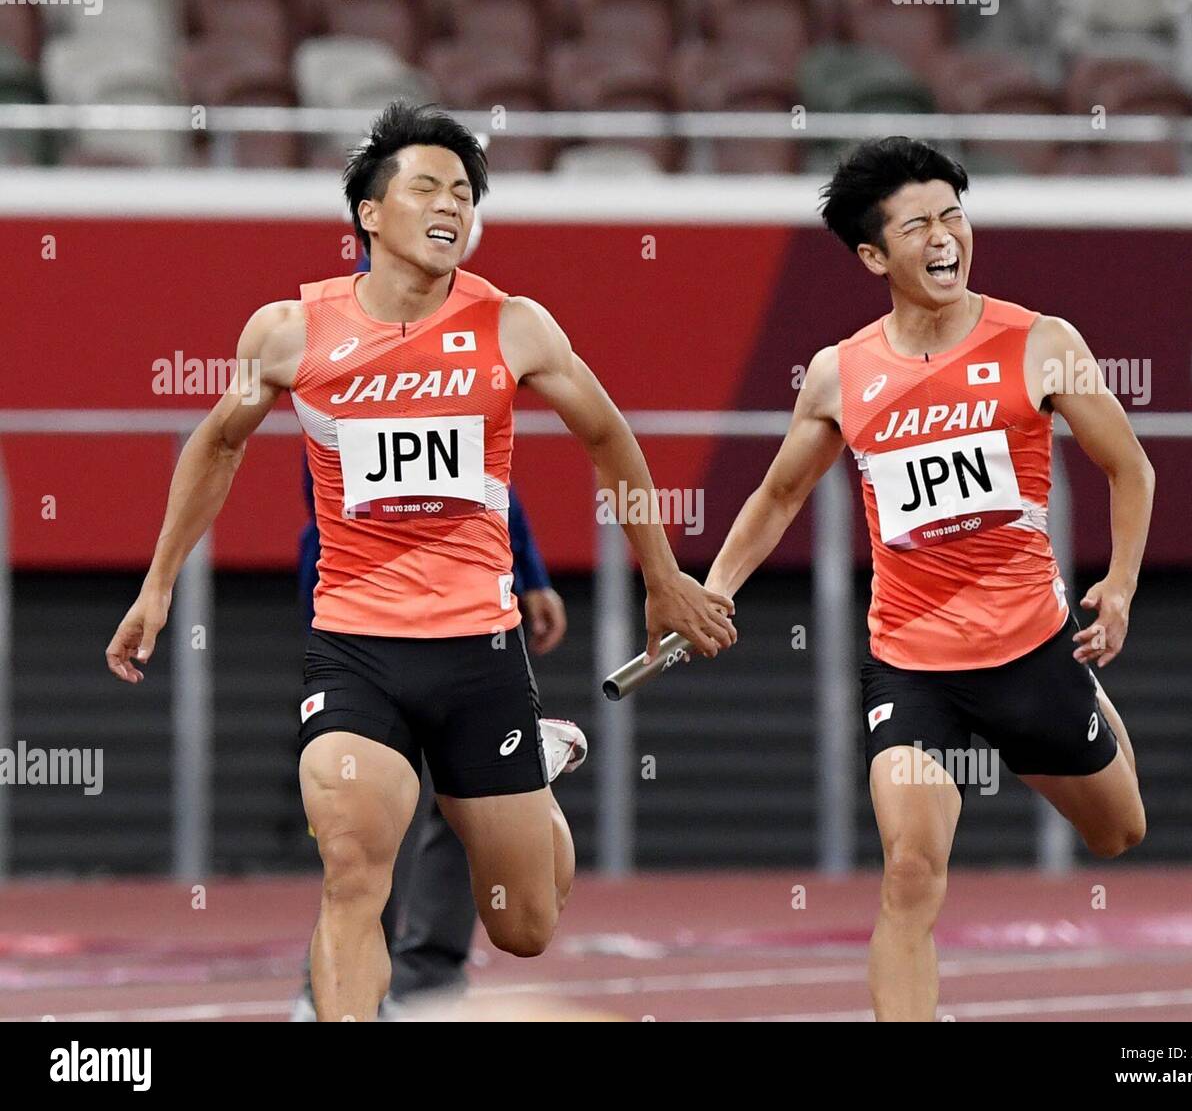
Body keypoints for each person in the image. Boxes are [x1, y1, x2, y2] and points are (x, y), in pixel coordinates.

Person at [105, 101, 736, 1022]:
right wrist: (158, 584)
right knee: (355, 866)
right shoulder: (289, 331)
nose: (453, 205)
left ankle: (539, 777)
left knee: (524, 924)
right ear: (368, 212)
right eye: (429, 186)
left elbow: (608, 436)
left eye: (466, 193)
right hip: (353, 643)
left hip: (479, 650)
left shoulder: (512, 325)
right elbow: (217, 445)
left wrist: (663, 577)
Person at [704, 137, 1152, 1021]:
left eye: (954, 214)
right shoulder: (841, 372)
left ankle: (1086, 700)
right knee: (909, 869)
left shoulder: (1039, 342)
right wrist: (712, 588)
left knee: (1117, 832)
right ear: (875, 255)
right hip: (911, 664)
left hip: (1031, 650)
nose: (946, 236)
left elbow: (1130, 467)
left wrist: (1125, 585)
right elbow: (778, 493)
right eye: (919, 225)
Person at [292, 466, 567, 1020]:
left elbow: (492, 483)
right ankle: (339, 993)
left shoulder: (467, 383)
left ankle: (428, 981)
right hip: (359, 615)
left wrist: (530, 572)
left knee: (473, 837)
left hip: (464, 626)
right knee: (358, 829)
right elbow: (314, 478)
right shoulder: (326, 382)